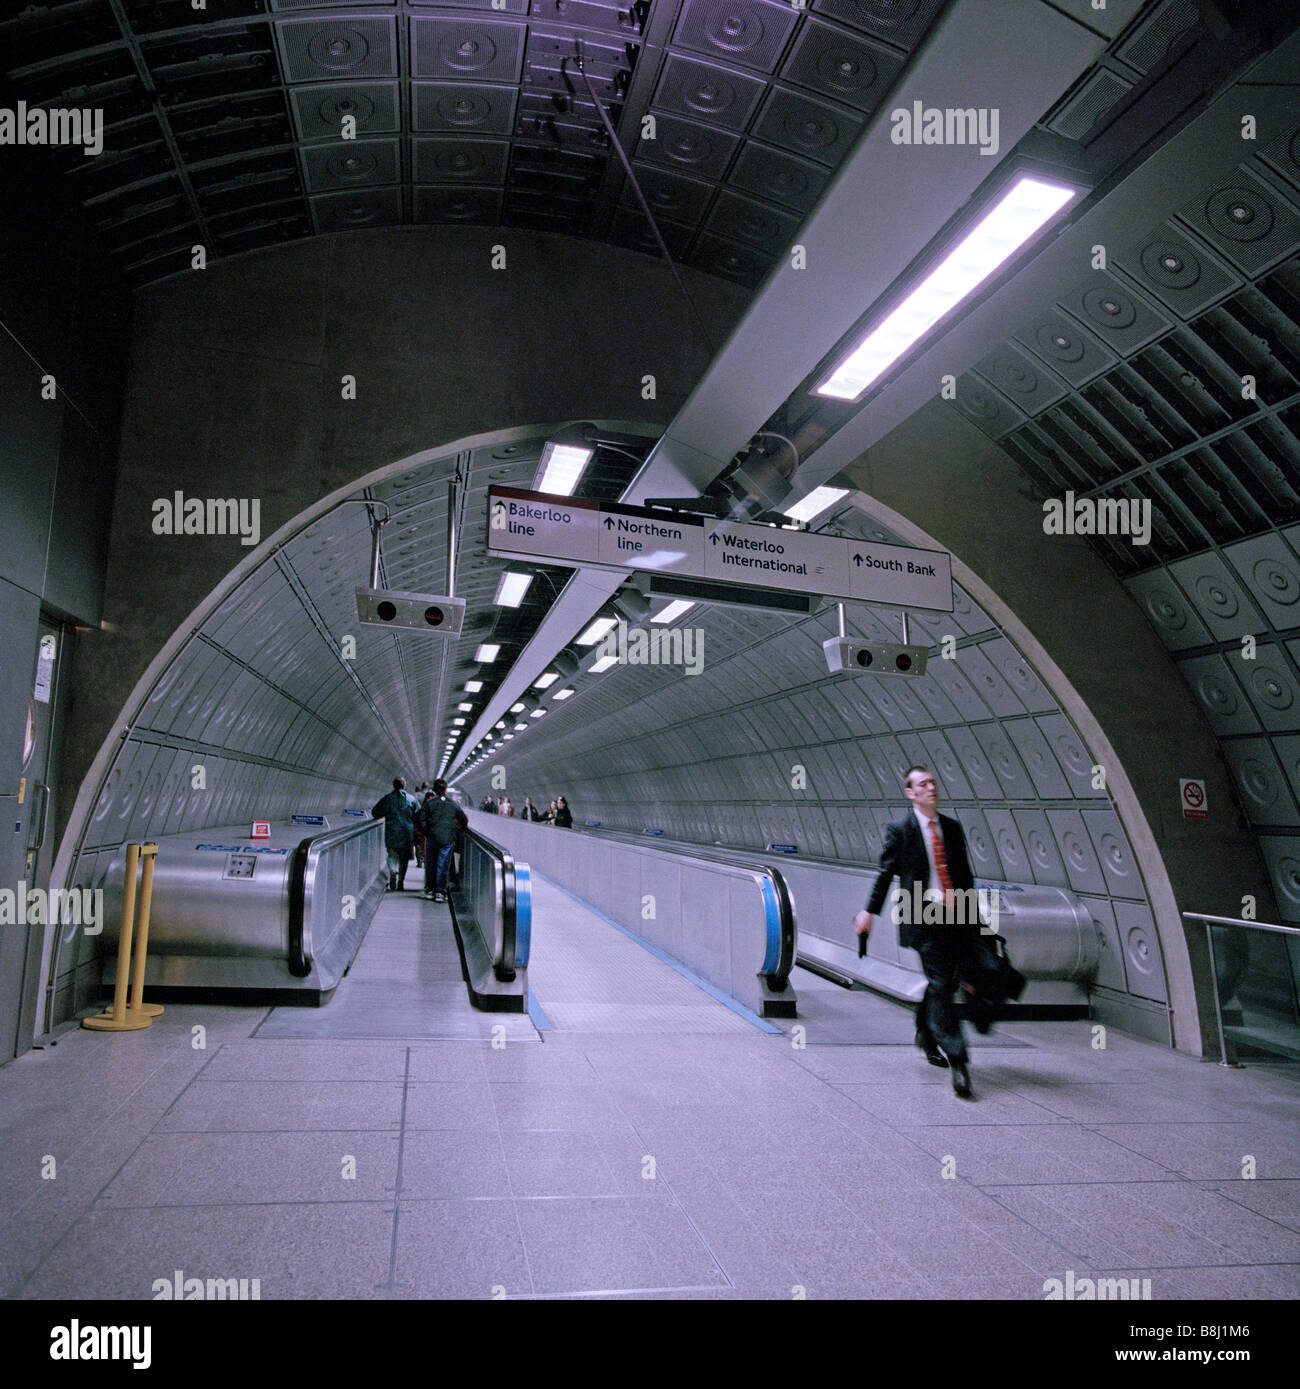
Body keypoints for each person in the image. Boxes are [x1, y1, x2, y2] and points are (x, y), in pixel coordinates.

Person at [853, 765, 984, 1100]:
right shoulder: (901, 829)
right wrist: (869, 911)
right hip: (921, 912)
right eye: (922, 784)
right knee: (941, 982)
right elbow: (886, 872)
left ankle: (926, 1034)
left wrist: (977, 920)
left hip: (955, 912)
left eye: (933, 782)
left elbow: (965, 876)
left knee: (948, 980)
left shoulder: (951, 829)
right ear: (910, 793)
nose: (931, 787)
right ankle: (959, 1061)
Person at [416, 779, 459, 902]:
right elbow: (463, 819)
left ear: (434, 790)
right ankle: (440, 892)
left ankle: (429, 890)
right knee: (443, 864)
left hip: (432, 838)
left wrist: (426, 831)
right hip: (447, 839)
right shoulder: (453, 804)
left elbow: (419, 818)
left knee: (431, 863)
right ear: (446, 790)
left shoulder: (429, 803)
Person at [371, 776, 418, 891]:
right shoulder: (411, 799)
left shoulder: (388, 799)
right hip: (407, 833)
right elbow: (418, 815)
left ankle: (393, 871)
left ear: (393, 785)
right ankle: (401, 882)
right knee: (404, 858)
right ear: (404, 786)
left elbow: (376, 812)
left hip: (392, 831)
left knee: (392, 854)